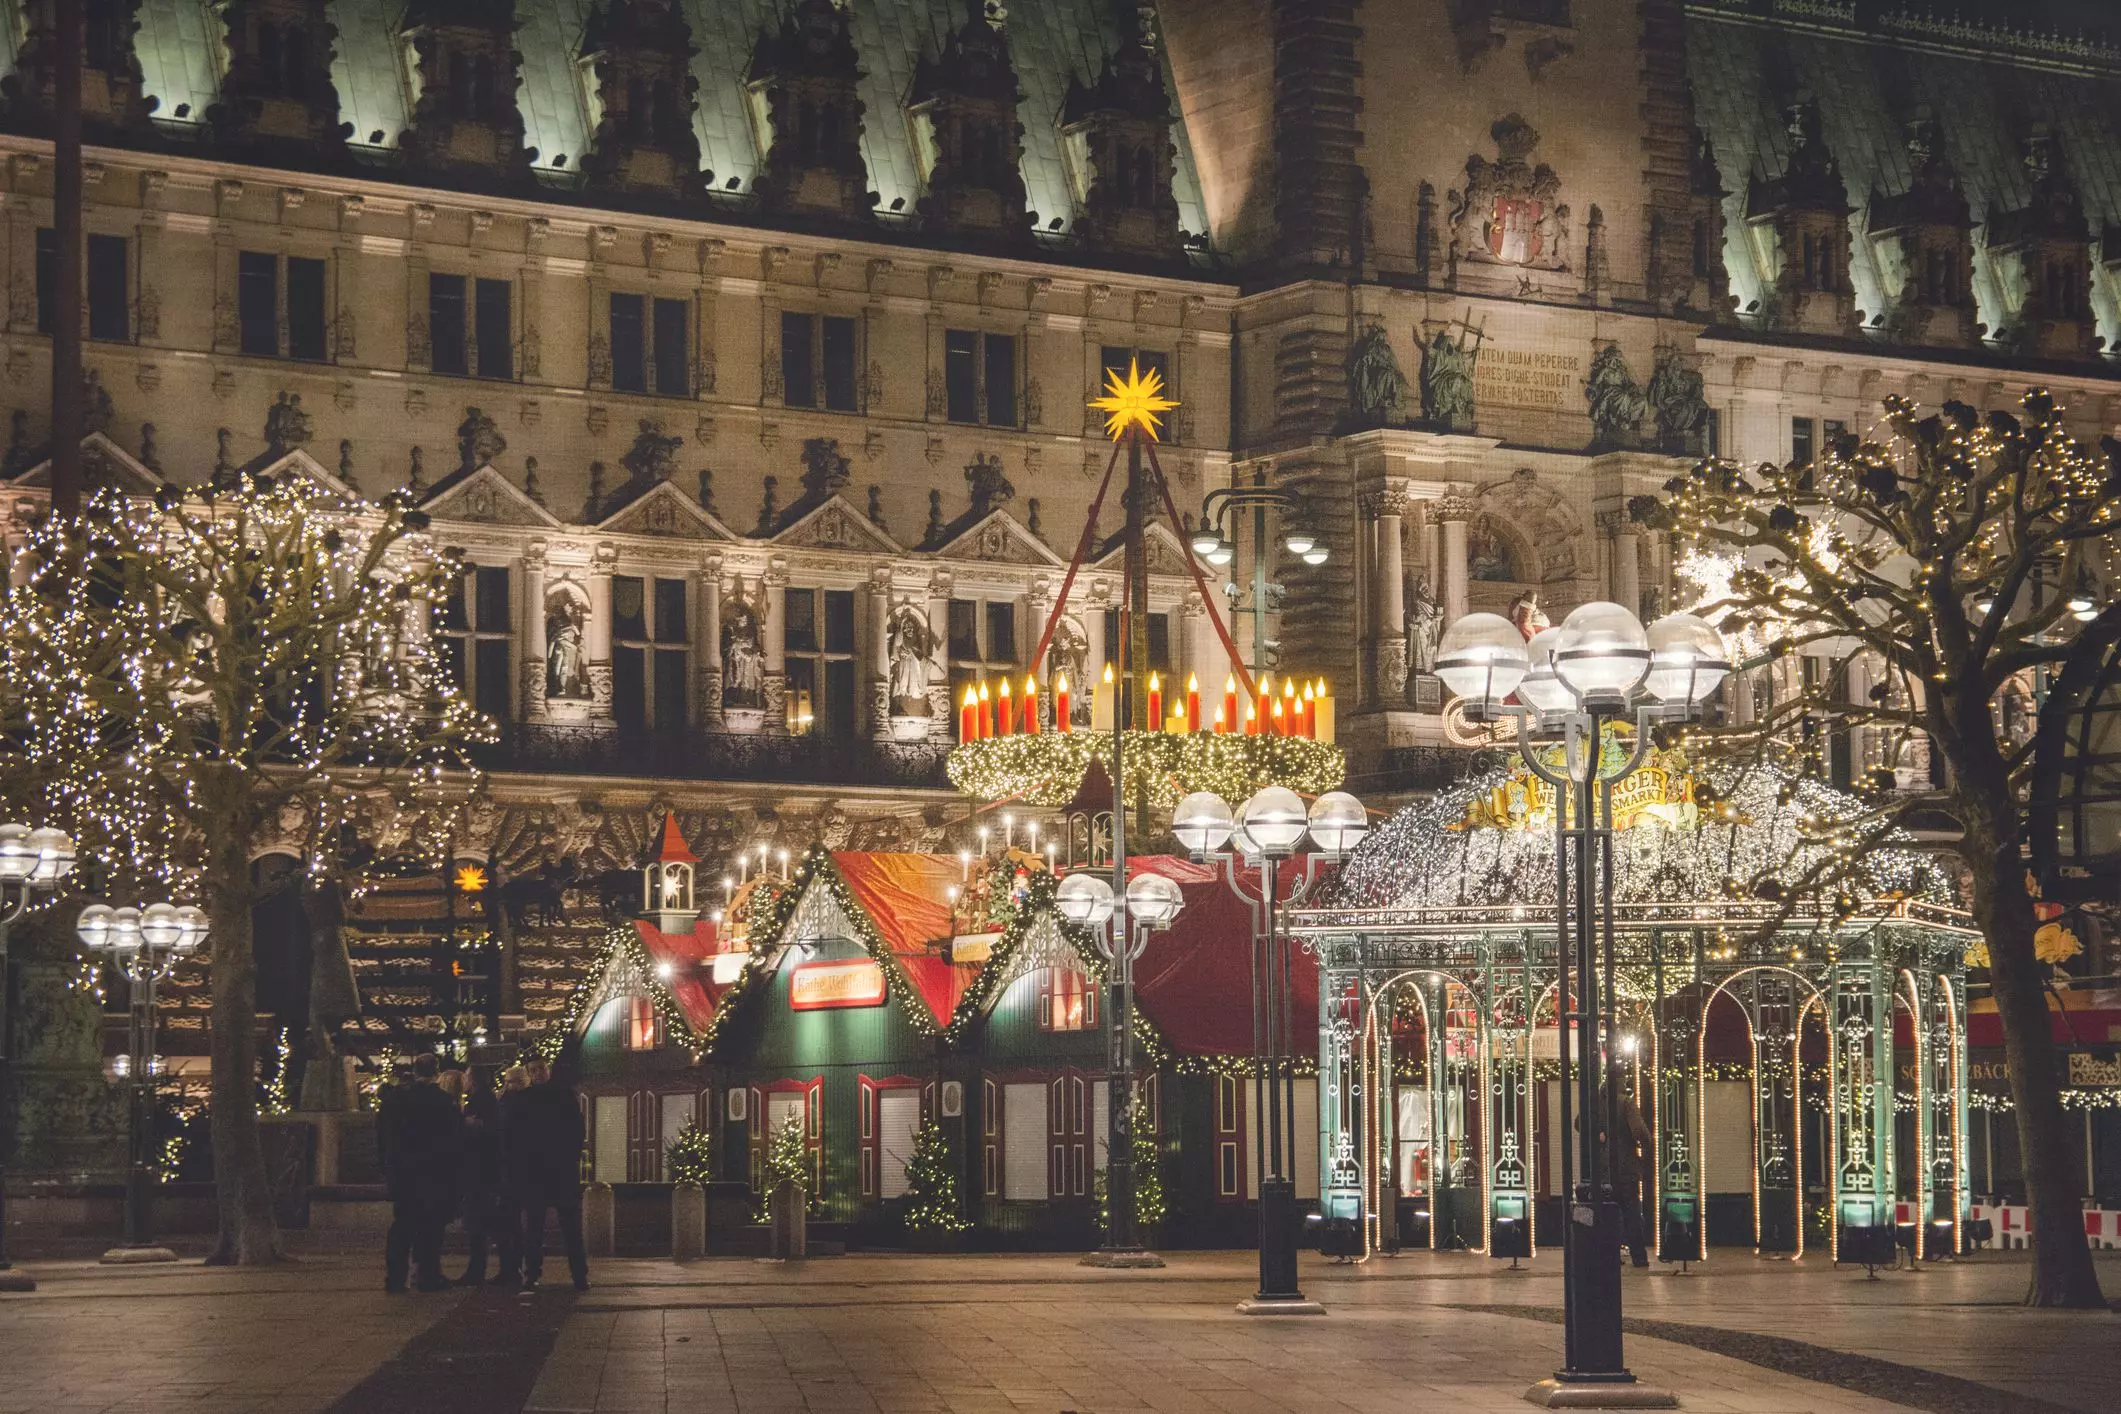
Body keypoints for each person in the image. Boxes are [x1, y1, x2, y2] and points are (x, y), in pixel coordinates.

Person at [379, 1052, 463, 1293]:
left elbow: (383, 1136)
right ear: (436, 1072)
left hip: (404, 1174)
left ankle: (395, 1279)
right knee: (431, 1228)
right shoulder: (443, 1102)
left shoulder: (395, 1100)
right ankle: (428, 1275)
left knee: (402, 1226)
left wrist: (388, 1166)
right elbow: (453, 1141)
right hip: (434, 1174)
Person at [507, 1055, 589, 1292]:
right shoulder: (556, 1097)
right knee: (539, 1226)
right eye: (533, 1070)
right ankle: (537, 1272)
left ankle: (571, 1274)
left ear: (547, 1070)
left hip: (548, 1170)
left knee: (560, 1226)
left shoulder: (556, 1096)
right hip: (546, 1171)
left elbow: (576, 1130)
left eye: (540, 1069)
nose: (538, 1074)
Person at [457, 1073, 517, 1286]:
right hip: (488, 1172)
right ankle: (506, 1269)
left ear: (473, 1080)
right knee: (491, 1224)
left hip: (480, 1173)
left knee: (481, 1224)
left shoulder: (479, 1102)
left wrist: (465, 1123)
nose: (463, 1081)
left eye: (466, 1077)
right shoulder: (490, 1100)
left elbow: (481, 1134)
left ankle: (482, 1271)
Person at [1603, 1076, 1655, 1268]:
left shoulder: (1598, 1103)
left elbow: (1578, 1122)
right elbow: (1639, 1130)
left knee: (1608, 1214)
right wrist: (1645, 1145)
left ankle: (1610, 1255)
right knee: (1632, 1214)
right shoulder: (1626, 1103)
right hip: (1626, 1168)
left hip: (1603, 1171)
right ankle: (1639, 1257)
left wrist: (1600, 1134)